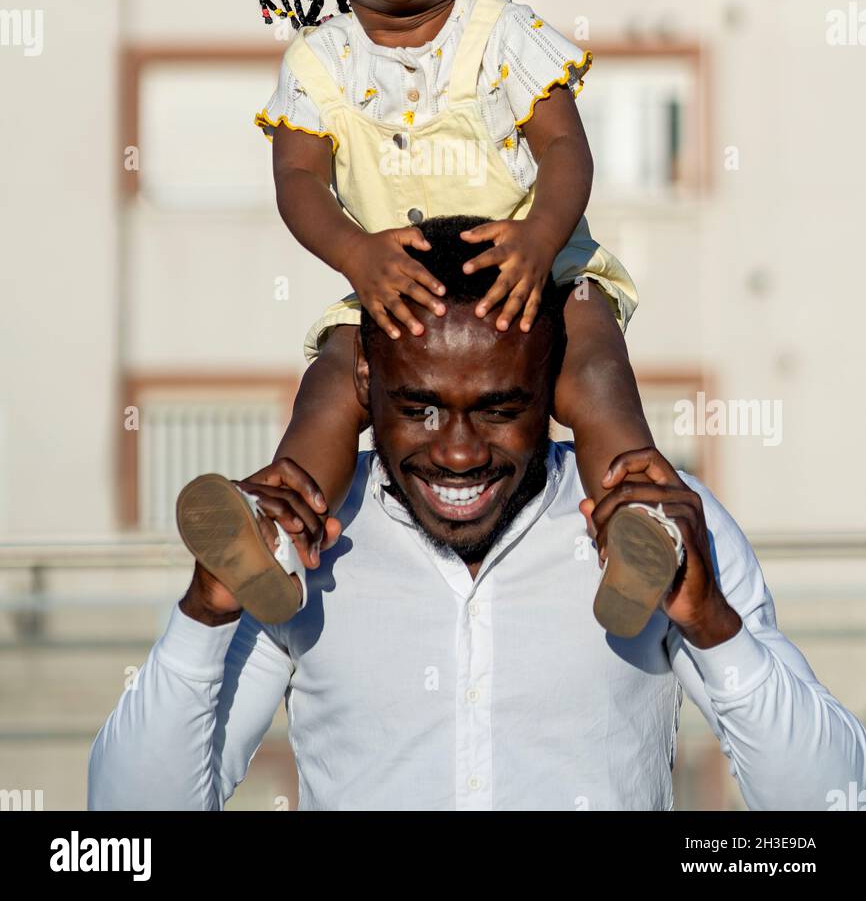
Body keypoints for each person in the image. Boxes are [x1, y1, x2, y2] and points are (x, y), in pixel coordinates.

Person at [176, 0, 678, 639]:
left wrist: (539, 241)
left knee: (592, 358)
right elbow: (300, 183)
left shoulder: (504, 34)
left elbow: (567, 151)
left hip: (529, 273)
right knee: (332, 376)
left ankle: (637, 518)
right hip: (394, 279)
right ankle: (278, 529)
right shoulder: (313, 64)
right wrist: (357, 256)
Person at [93, 217, 866, 812]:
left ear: (556, 391)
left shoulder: (661, 527)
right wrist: (203, 615)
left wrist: (711, 625)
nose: (458, 453)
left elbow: (833, 801)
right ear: (365, 387)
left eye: (498, 409)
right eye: (419, 408)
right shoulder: (298, 543)